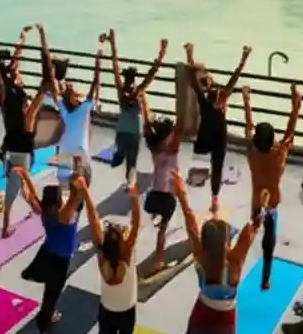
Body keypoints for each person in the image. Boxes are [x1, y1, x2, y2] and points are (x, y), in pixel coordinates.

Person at [173, 170, 261, 334]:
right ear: (225, 240)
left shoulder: (202, 259)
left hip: (202, 316)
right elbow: (249, 231)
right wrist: (260, 210)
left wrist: (182, 197)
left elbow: (191, 223)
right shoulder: (234, 263)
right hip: (225, 321)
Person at [0, 17, 44, 237]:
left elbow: (9, 60)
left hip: (14, 146)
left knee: (18, 184)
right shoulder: (10, 95)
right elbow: (3, 62)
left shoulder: (7, 96)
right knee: (14, 188)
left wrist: (22, 36)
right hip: (21, 149)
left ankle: (30, 210)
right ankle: (6, 226)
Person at [241, 83, 302, 290]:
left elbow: (248, 126)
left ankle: (235, 264)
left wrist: (246, 99)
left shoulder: (252, 154)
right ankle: (265, 280)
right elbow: (291, 130)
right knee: (269, 242)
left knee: (251, 233)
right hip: (272, 203)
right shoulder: (280, 154)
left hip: (256, 201)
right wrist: (296, 104)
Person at [184, 42, 252, 214]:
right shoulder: (217, 101)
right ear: (222, 102)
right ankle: (214, 199)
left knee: (209, 163)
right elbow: (233, 80)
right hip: (219, 138)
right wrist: (243, 60)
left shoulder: (205, 103)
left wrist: (190, 55)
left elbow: (194, 82)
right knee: (217, 168)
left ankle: (210, 192)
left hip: (206, 137)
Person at [18, 164, 84, 332]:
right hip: (60, 259)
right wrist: (78, 179)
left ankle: (47, 314)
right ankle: (45, 320)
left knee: (50, 287)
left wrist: (24, 176)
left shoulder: (43, 210)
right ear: (57, 202)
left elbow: (31, 194)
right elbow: (76, 198)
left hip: (47, 252)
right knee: (53, 292)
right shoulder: (64, 215)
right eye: (61, 196)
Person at [75, 177, 141, 334]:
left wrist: (84, 191)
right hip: (127, 309)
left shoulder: (102, 255)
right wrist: (134, 198)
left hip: (107, 308)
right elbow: (136, 222)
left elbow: (94, 221)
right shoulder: (126, 254)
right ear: (122, 242)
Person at [106, 31, 168, 189]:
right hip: (134, 130)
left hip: (122, 129)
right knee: (132, 160)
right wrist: (162, 54)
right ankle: (129, 182)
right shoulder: (138, 92)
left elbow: (114, 67)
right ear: (134, 79)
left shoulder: (122, 92)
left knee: (121, 149)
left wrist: (112, 44)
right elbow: (151, 74)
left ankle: (119, 154)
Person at [47, 28, 104, 186]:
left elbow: (53, 84)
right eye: (74, 92)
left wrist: (51, 67)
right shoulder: (83, 109)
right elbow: (95, 80)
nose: (77, 93)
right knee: (76, 195)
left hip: (68, 156)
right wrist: (99, 52)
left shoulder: (65, 111)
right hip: (78, 158)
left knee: (66, 196)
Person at [141, 94, 184, 274]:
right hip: (167, 198)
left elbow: (146, 124)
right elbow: (180, 126)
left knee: (157, 220)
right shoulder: (172, 147)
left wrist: (144, 103)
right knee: (163, 231)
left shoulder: (154, 146)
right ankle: (158, 261)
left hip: (153, 196)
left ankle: (154, 219)